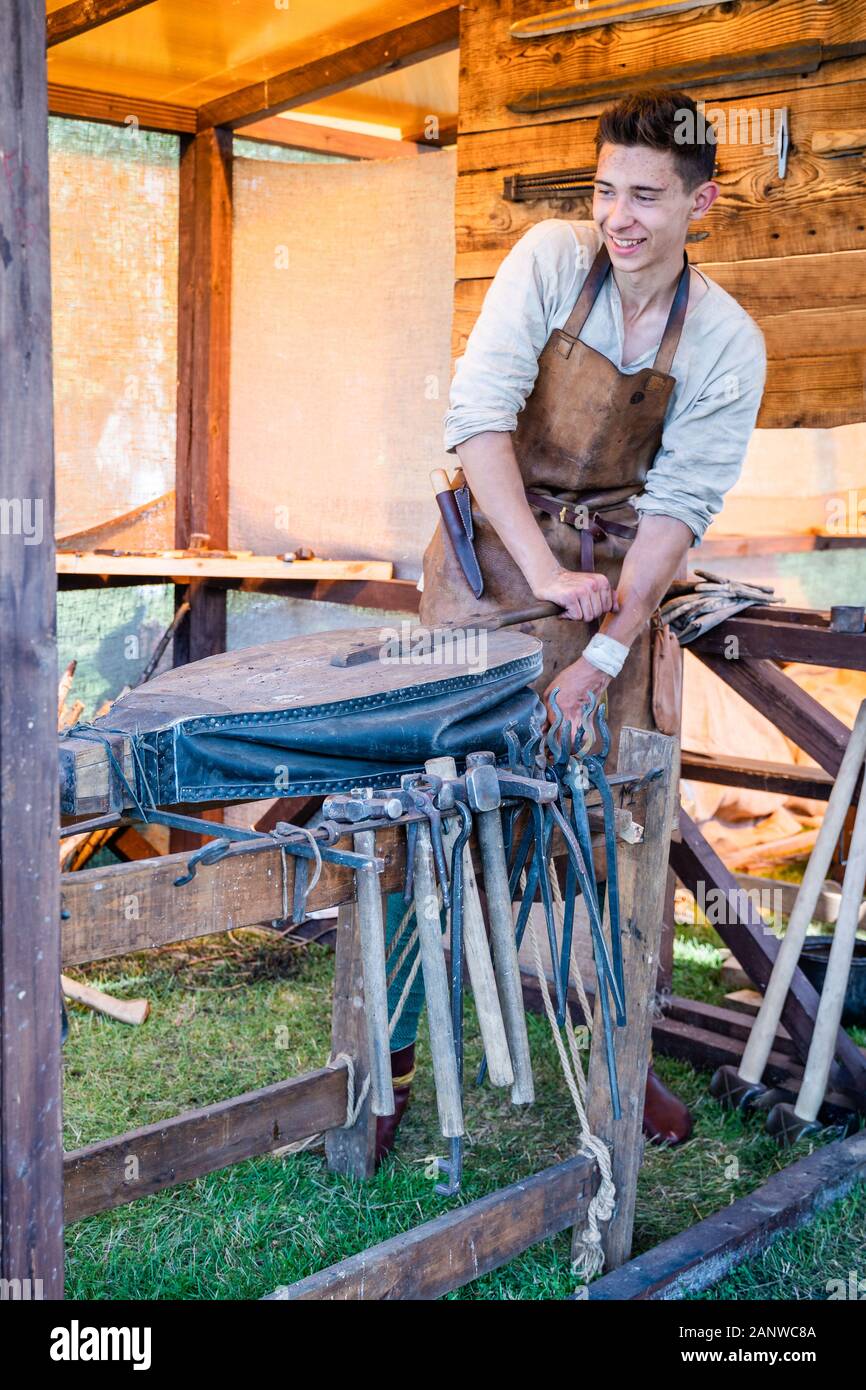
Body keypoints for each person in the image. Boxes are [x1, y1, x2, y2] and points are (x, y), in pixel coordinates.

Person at [376, 88, 767, 1162]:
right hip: (492, 566)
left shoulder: (726, 340)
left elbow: (678, 508)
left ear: (701, 203)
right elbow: (478, 423)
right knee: (435, 814)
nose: (618, 217)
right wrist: (544, 571)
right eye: (604, 190)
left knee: (613, 826)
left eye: (646, 196)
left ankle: (619, 1057)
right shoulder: (550, 261)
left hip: (617, 580)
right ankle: (390, 1058)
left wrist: (600, 652)